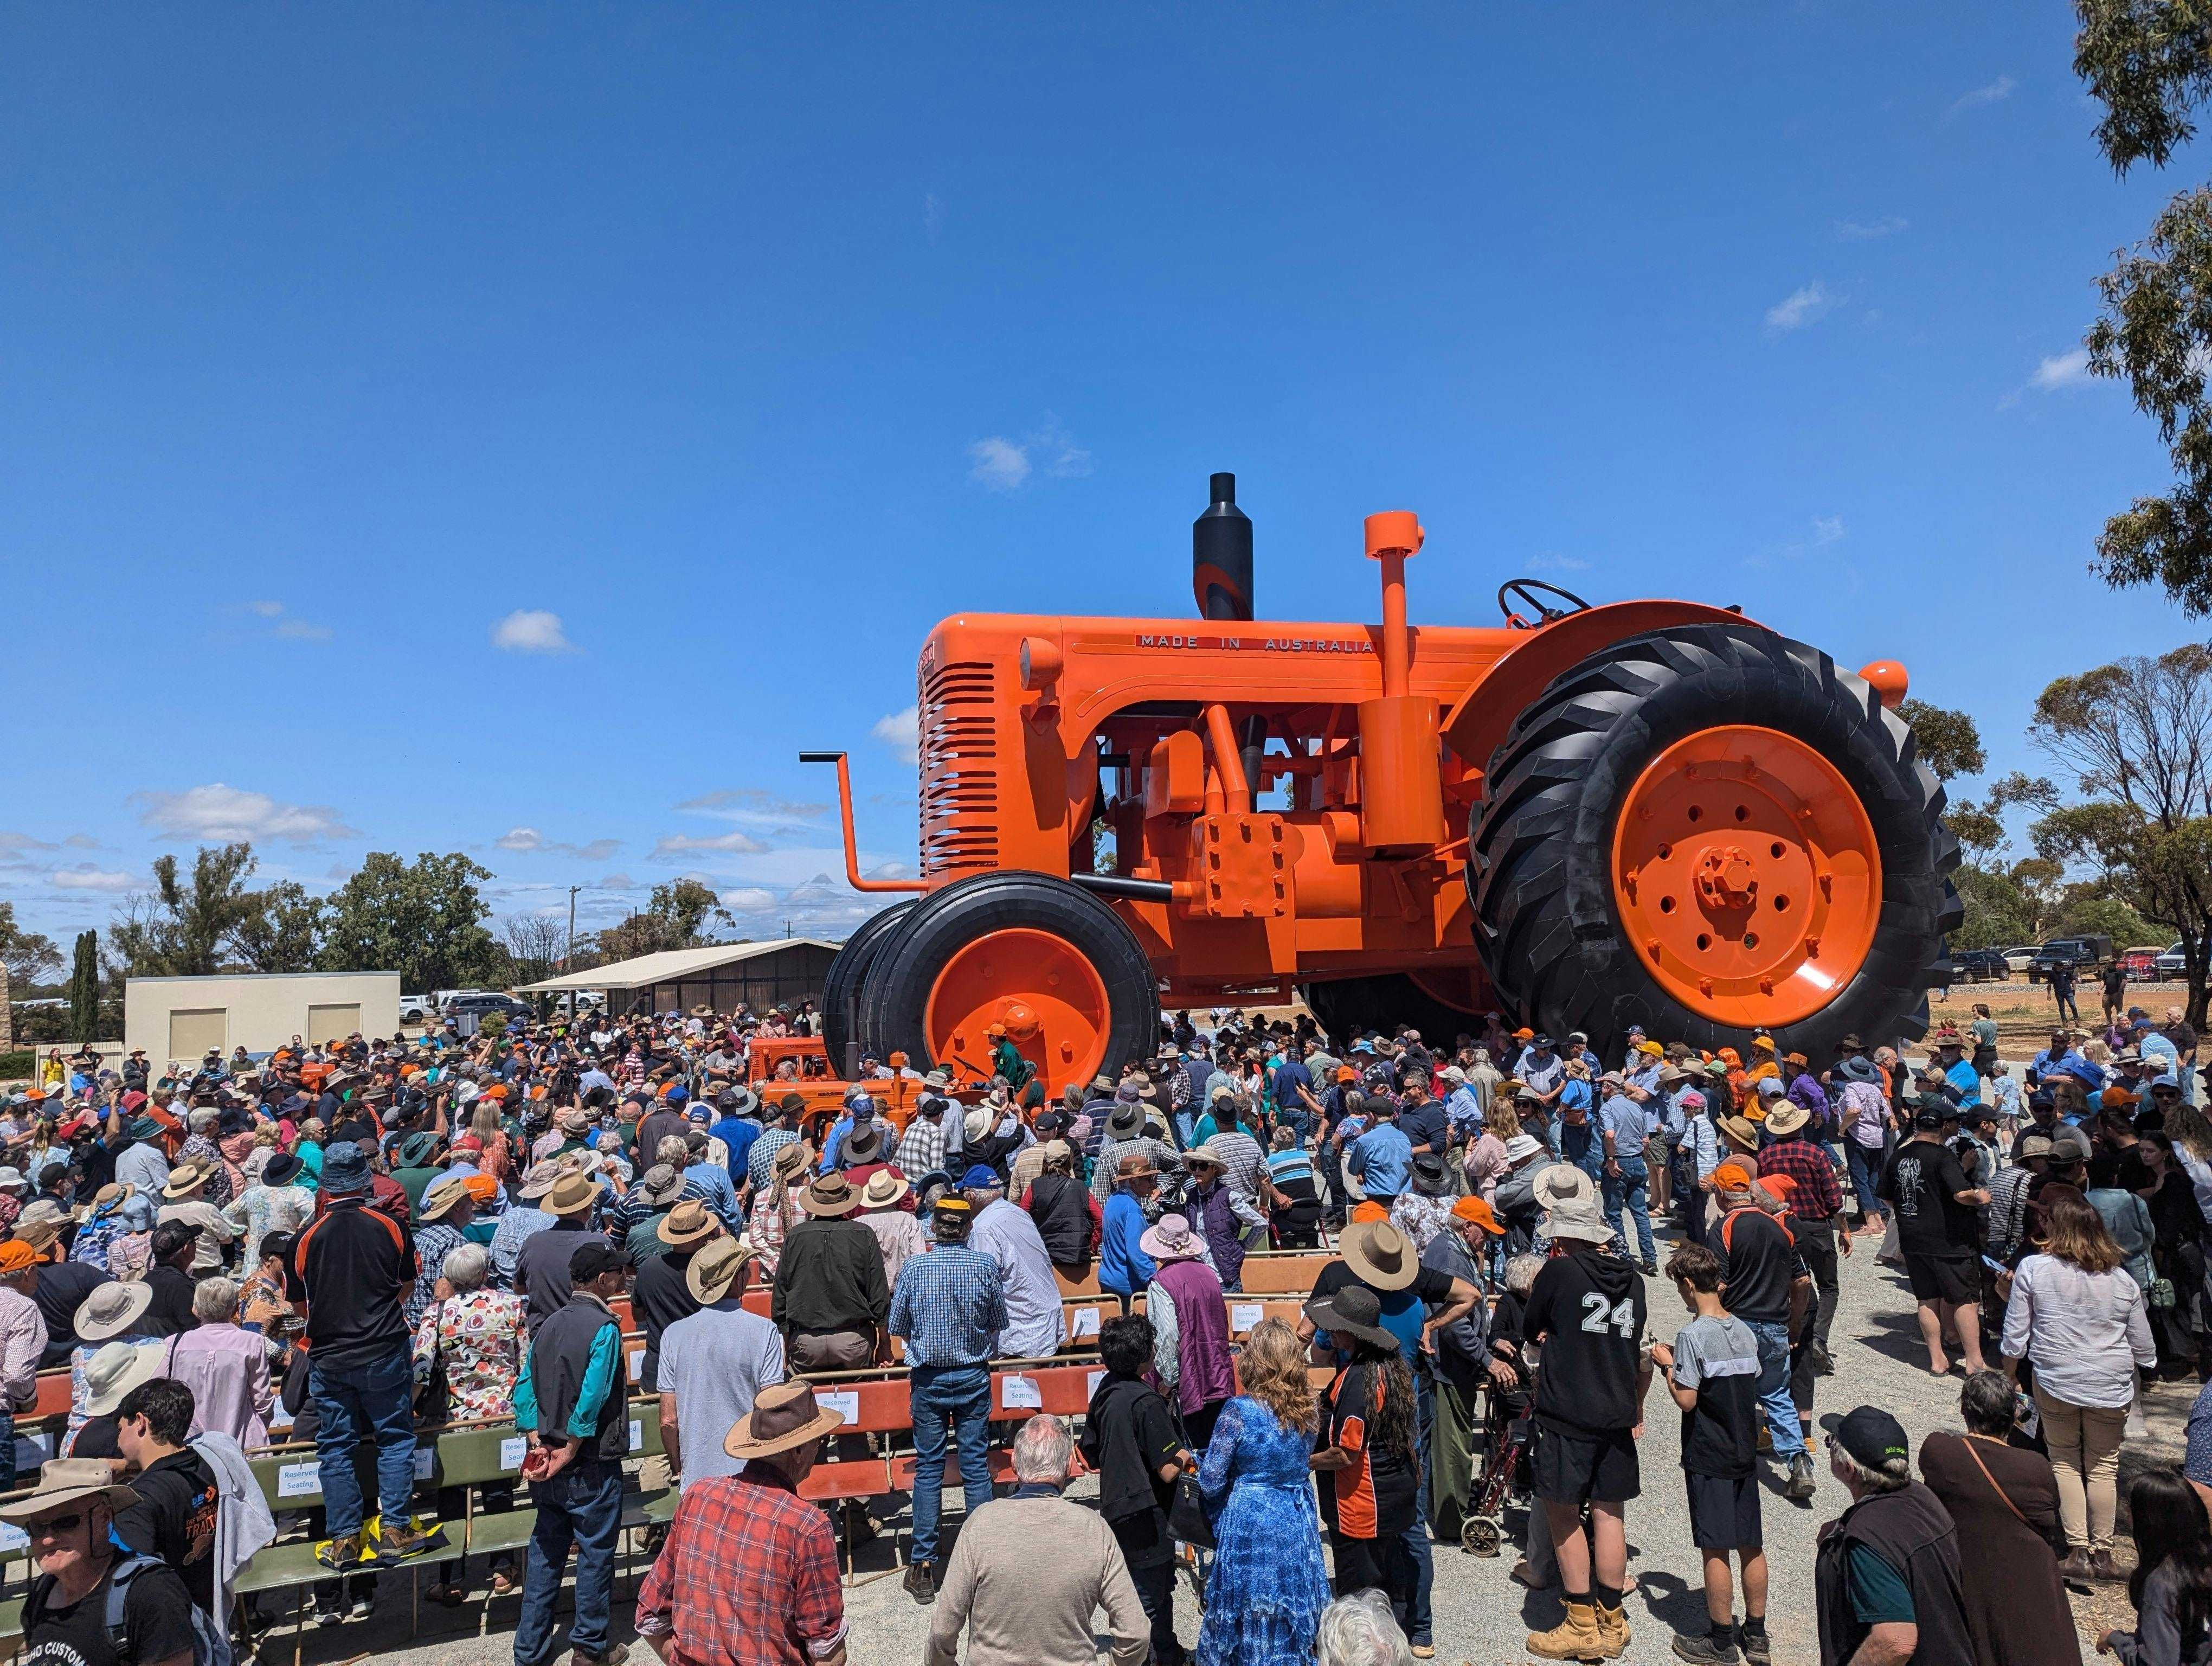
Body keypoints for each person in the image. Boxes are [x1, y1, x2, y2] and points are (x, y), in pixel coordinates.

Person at [2002, 1187, 2159, 1580]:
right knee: (2104, 1466)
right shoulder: (2122, 1280)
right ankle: (2104, 1554)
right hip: (2110, 1382)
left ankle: (2076, 1550)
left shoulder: (2035, 1269)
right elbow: (2145, 1348)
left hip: (2056, 1377)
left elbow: (2015, 1334)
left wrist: (2008, 1374)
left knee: (2066, 1461)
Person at [633, 1381, 848, 1666]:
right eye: (818, 1443)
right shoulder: (808, 1527)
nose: (819, 1450)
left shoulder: (698, 1495)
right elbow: (827, 1653)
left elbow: (650, 1612)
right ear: (798, 1451)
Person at [1520, 1199, 1651, 1662]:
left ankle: (1579, 1621)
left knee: (1563, 1513)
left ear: (1561, 1237)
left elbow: (1531, 1324)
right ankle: (1612, 1619)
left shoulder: (1559, 1273)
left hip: (1568, 1411)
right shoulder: (1633, 1280)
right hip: (1616, 1409)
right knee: (1609, 1513)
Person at [292, 1140, 427, 1567]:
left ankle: (345, 1538)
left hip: (330, 1355)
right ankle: (395, 1529)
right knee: (395, 1438)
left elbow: (300, 1306)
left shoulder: (306, 1237)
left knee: (336, 1446)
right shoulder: (389, 1226)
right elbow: (407, 1286)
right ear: (366, 1181)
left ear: (327, 1188)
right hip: (384, 1347)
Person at [925, 1413, 1148, 1666]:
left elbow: (943, 1629)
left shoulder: (980, 1524)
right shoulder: (1095, 1529)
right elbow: (1136, 1633)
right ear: (1067, 1468)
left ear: (1016, 1464)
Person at [513, 1240, 632, 1666]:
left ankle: (528, 1651)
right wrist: (571, 1446)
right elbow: (593, 1395)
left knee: (546, 1553)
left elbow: (524, 1388)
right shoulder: (604, 1328)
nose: (622, 1279)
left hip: (547, 1456)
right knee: (596, 1556)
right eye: (617, 1273)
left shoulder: (547, 1325)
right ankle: (589, 1649)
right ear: (604, 1280)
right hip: (589, 1462)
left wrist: (536, 1442)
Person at [1650, 1242, 1769, 1666]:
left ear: (1687, 1284)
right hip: (1743, 1450)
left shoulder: (1690, 1336)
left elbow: (1686, 1400)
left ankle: (1720, 1641)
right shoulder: (1745, 1331)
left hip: (1709, 1452)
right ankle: (1756, 1634)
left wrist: (1666, 1364)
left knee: (1715, 1547)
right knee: (1751, 1543)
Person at [1194, 1317, 1333, 1666]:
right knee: (1290, 1593)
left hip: (1251, 1517)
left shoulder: (1238, 1412)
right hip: (1294, 1512)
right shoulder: (1309, 1409)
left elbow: (1210, 1481)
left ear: (1255, 1361)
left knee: (1248, 1596)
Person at [889, 1195, 1006, 1605]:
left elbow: (898, 1324)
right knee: (975, 1466)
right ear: (967, 1228)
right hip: (972, 1374)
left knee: (929, 1469)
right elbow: (998, 1321)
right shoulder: (984, 1266)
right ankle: (982, 1562)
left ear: (935, 1228)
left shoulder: (915, 1268)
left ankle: (923, 1565)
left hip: (929, 1377)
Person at [1918, 1371, 2080, 1666]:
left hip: (1971, 1579)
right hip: (2030, 1581)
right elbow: (2047, 1519)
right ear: (2014, 1416)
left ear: (1964, 1411)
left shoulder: (1941, 1452)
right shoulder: (2035, 1467)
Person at [1814, 1405, 1975, 1666]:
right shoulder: (1923, 1498)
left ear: (1848, 1468)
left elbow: (1896, 1642)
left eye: (1831, 1443)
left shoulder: (1866, 1541)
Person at [1307, 1283, 1423, 1631]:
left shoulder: (1359, 1381)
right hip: (1391, 1496)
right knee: (1387, 1581)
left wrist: (1305, 1461)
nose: (1329, 1331)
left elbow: (1345, 1453)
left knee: (1359, 1593)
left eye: (1334, 1326)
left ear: (1350, 1332)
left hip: (1363, 1504)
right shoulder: (1385, 1365)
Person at [8, 1457, 200, 1666]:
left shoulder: (150, 1593)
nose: (47, 1539)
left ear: (104, 1517)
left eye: (65, 1522)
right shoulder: (42, 1592)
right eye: (37, 1528)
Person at [1081, 1316, 1191, 1666]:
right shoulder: (1147, 1402)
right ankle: (1152, 1657)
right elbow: (1169, 1470)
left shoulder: (1105, 1393)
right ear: (1144, 1355)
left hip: (1114, 1506)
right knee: (1154, 1593)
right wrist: (1190, 1454)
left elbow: (1092, 1452)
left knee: (1128, 1589)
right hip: (1148, 1511)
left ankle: (1163, 1652)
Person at [1708, 1163, 1817, 1500]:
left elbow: (1719, 1284)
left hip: (1738, 1324)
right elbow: (1801, 1280)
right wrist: (1794, 1323)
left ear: (1721, 1194)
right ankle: (1799, 1460)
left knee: (1731, 1392)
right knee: (1776, 1394)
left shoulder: (1723, 1228)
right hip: (1775, 1325)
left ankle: (1733, 1459)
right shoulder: (1778, 1227)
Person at [657, 1236, 784, 1491]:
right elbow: (771, 1405)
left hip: (696, 1478)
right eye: (747, 1270)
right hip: (750, 1473)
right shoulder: (764, 1331)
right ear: (738, 1279)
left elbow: (668, 1420)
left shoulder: (673, 1334)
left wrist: (679, 1466)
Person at [1882, 1103, 1990, 1376]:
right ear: (1943, 1127)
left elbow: (1885, 1196)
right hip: (1948, 1240)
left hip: (1913, 1237)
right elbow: (1960, 1194)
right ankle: (1974, 1361)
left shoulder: (1899, 1155)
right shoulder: (1942, 1156)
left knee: (1927, 1298)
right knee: (1965, 1298)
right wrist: (1980, 1196)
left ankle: (1937, 1359)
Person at [110, 1379, 220, 1618]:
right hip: (207, 1607)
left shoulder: (137, 1500)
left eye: (121, 1429)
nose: (118, 1442)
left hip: (169, 1620)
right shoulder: (208, 1465)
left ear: (140, 1422)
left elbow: (129, 1581)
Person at [771, 1173, 889, 1374]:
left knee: (805, 1401)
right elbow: (879, 1296)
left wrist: (787, 1342)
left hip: (806, 1344)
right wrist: (885, 1345)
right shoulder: (864, 1234)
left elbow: (780, 1296)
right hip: (854, 1342)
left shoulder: (794, 1238)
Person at [2100, 1467, 2212, 1666]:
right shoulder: (2203, 1566)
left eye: (2131, 1509)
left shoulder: (2161, 1585)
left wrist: (2115, 1639)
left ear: (2150, 1521)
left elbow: (2157, 1662)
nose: (2127, 1515)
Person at [964, 1167, 1066, 1359]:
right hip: (1041, 1317)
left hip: (1021, 1328)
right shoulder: (1018, 1213)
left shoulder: (984, 1229)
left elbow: (984, 1284)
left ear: (971, 1197)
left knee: (1020, 1386)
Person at [159, 1278, 271, 1447]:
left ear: (196, 1310)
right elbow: (262, 1401)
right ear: (235, 1310)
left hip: (187, 1443)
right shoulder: (252, 1343)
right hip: (241, 1443)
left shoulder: (174, 1344)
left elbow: (159, 1393)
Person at [513, 1169, 608, 1333]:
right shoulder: (599, 1242)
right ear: (588, 1209)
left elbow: (519, 1288)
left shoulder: (532, 1243)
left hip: (542, 1334)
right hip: (587, 1333)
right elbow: (612, 1285)